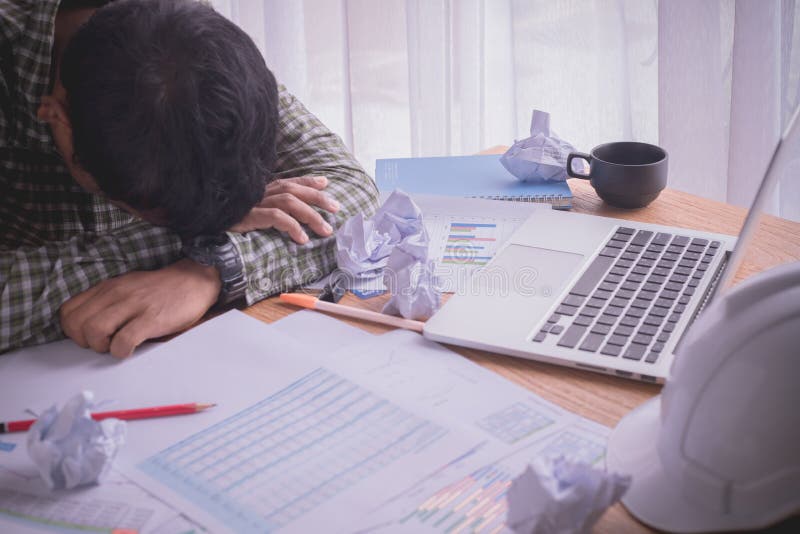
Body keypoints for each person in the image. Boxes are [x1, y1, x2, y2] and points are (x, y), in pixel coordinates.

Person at [0, 0, 379, 356]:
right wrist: (189, 243)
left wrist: (214, 269)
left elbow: (352, 189)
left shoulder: (187, 43)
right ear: (59, 119)